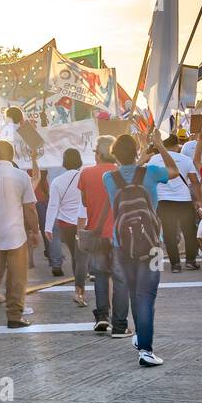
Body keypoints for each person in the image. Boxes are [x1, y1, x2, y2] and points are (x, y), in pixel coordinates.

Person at [102, 131, 178, 367]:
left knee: (135, 292)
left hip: (122, 245)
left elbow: (128, 172)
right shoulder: (151, 173)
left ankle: (139, 337)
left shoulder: (109, 178)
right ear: (137, 152)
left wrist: (139, 157)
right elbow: (174, 171)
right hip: (153, 245)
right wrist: (159, 147)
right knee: (147, 295)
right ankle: (145, 348)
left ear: (114, 154)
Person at [0, 141, 41, 329]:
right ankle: (14, 315)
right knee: (17, 277)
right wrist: (35, 230)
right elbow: (30, 208)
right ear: (12, 156)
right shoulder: (21, 176)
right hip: (16, 234)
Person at [80, 135, 120, 333]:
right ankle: (119, 320)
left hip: (97, 232)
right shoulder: (120, 173)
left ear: (99, 153)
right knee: (120, 276)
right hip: (119, 233)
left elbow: (85, 202)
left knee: (101, 275)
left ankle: (102, 315)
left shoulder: (86, 173)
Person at [45, 147, 89, 306]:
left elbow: (53, 205)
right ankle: (80, 292)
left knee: (75, 255)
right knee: (82, 257)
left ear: (64, 162)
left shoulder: (57, 181)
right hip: (84, 222)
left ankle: (79, 290)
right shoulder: (85, 177)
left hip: (66, 224)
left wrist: (48, 227)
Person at [152, 136, 198, 271]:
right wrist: (197, 200)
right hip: (184, 200)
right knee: (189, 231)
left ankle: (175, 264)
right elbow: (194, 181)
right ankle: (190, 261)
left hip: (163, 200)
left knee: (169, 232)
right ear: (177, 145)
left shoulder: (154, 159)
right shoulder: (185, 159)